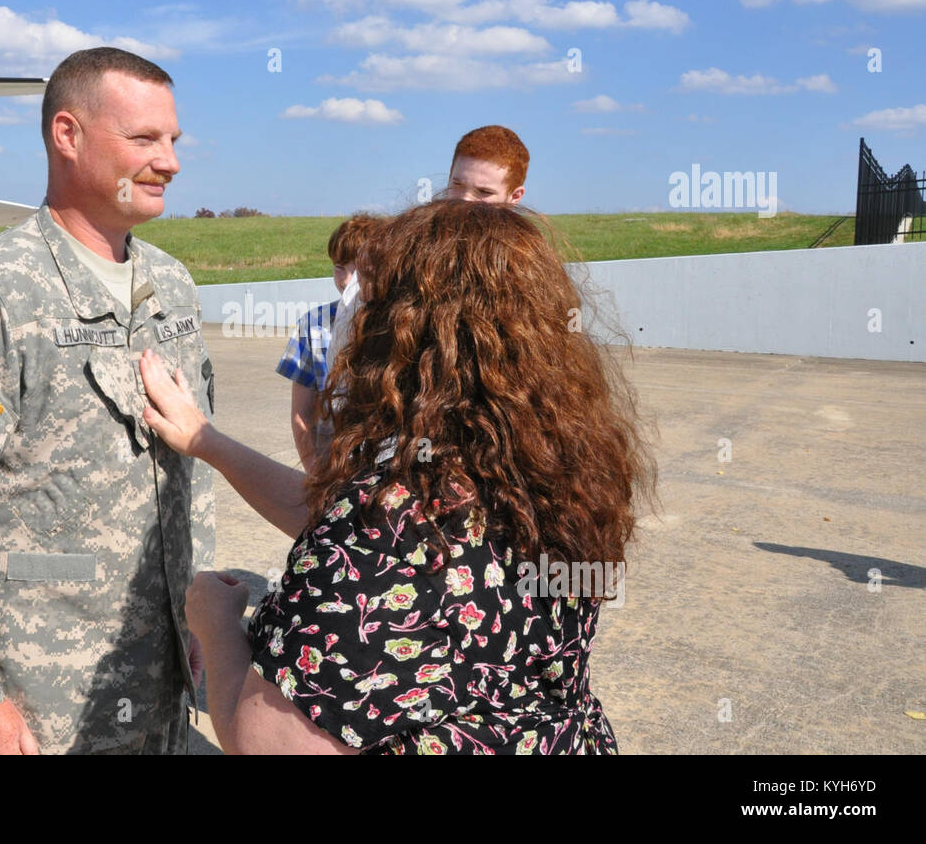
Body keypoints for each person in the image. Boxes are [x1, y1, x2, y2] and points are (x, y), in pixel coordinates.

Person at [137, 198, 655, 754]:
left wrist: (218, 626)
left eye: (369, 304)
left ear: (398, 336)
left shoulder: (395, 521)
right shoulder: (557, 471)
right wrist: (208, 443)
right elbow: (344, 523)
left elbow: (266, 743)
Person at [0, 47, 215, 755]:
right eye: (144, 139)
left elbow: (189, 479)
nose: (170, 161)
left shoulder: (172, 287)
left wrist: (201, 613)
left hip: (164, 691)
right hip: (44, 710)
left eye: (173, 140)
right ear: (67, 135)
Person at [324, 125, 531, 426]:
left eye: (484, 192)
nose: (464, 201)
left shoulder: (529, 273)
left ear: (515, 196)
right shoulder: (400, 255)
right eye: (457, 184)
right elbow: (346, 370)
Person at [275, 214, 380, 469]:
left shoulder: (403, 323)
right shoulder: (314, 324)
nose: (347, 280)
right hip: (334, 470)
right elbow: (302, 413)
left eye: (360, 270)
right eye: (340, 267)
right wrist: (314, 472)